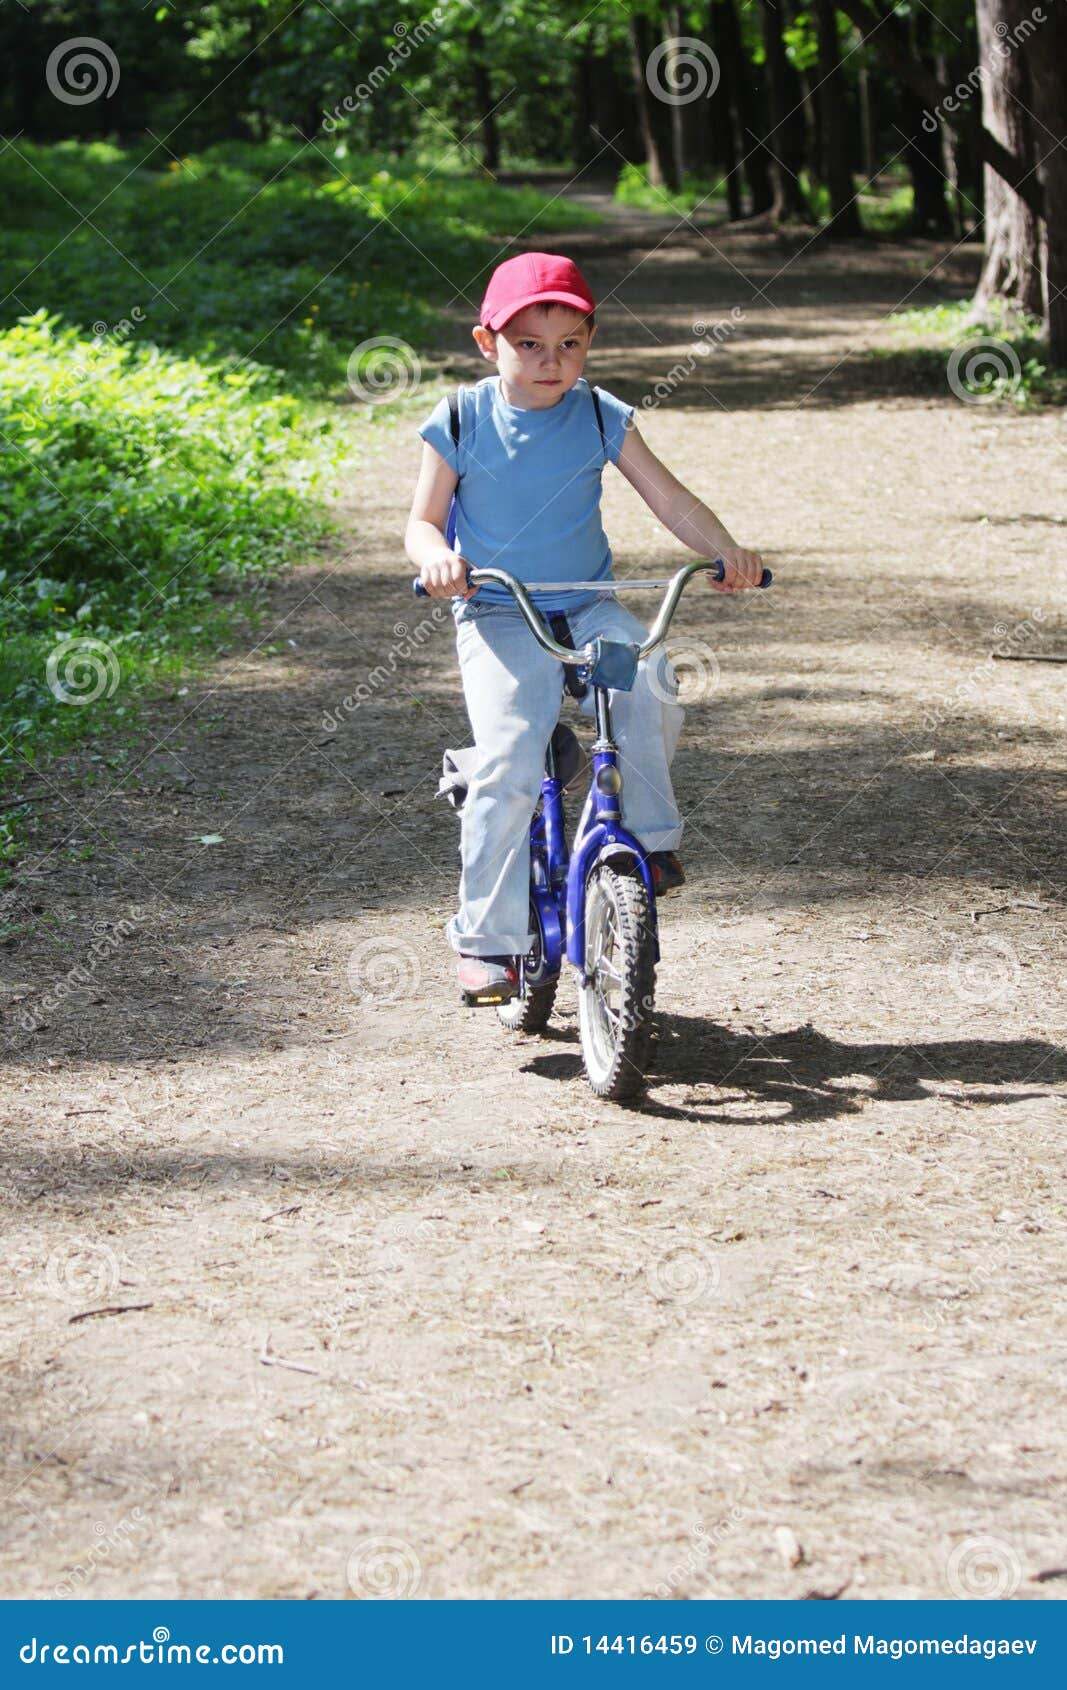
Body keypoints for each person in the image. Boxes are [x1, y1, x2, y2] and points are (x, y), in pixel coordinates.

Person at [405, 251, 766, 1004]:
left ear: (589, 343)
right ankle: (487, 942)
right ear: (486, 343)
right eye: (528, 344)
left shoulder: (600, 413)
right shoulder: (462, 418)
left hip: (588, 601)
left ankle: (648, 842)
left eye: (568, 343)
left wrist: (723, 549)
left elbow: (669, 500)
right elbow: (422, 522)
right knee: (506, 759)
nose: (550, 361)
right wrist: (439, 558)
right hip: (500, 608)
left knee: (652, 679)